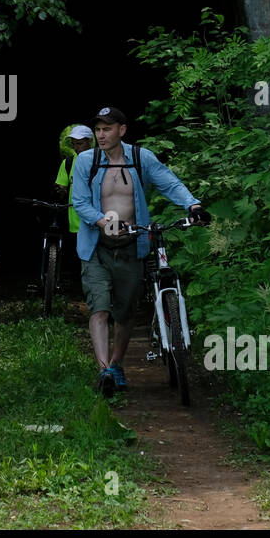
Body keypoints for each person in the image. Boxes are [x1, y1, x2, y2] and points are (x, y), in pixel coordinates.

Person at [71, 106, 210, 397]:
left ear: (122, 130)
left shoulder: (140, 158)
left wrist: (193, 205)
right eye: (97, 129)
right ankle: (103, 370)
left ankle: (116, 364)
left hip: (133, 242)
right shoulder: (86, 161)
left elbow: (168, 181)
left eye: (107, 128)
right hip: (96, 244)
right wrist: (103, 222)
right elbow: (80, 202)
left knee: (125, 312)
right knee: (99, 307)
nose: (100, 135)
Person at [54, 124, 95, 235]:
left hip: (96, 222)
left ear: (90, 141)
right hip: (74, 224)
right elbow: (61, 190)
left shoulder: (101, 160)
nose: (76, 148)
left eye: (79, 144)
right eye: (74, 144)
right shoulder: (67, 163)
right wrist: (61, 191)